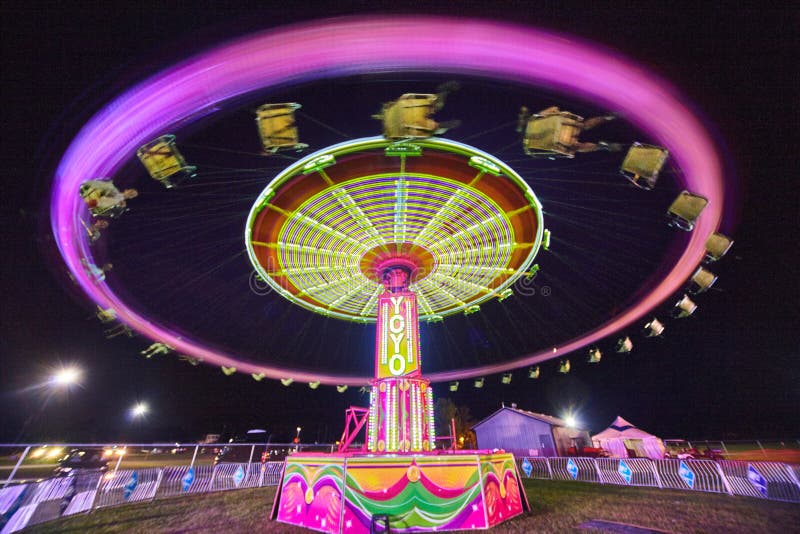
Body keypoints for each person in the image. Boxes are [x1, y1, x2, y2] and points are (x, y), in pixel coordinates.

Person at [522, 105, 622, 153]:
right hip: (565, 128)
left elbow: (546, 152)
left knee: (577, 146)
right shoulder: (534, 119)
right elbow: (554, 109)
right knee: (583, 126)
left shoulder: (530, 143)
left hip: (562, 140)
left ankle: (601, 146)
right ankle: (606, 118)